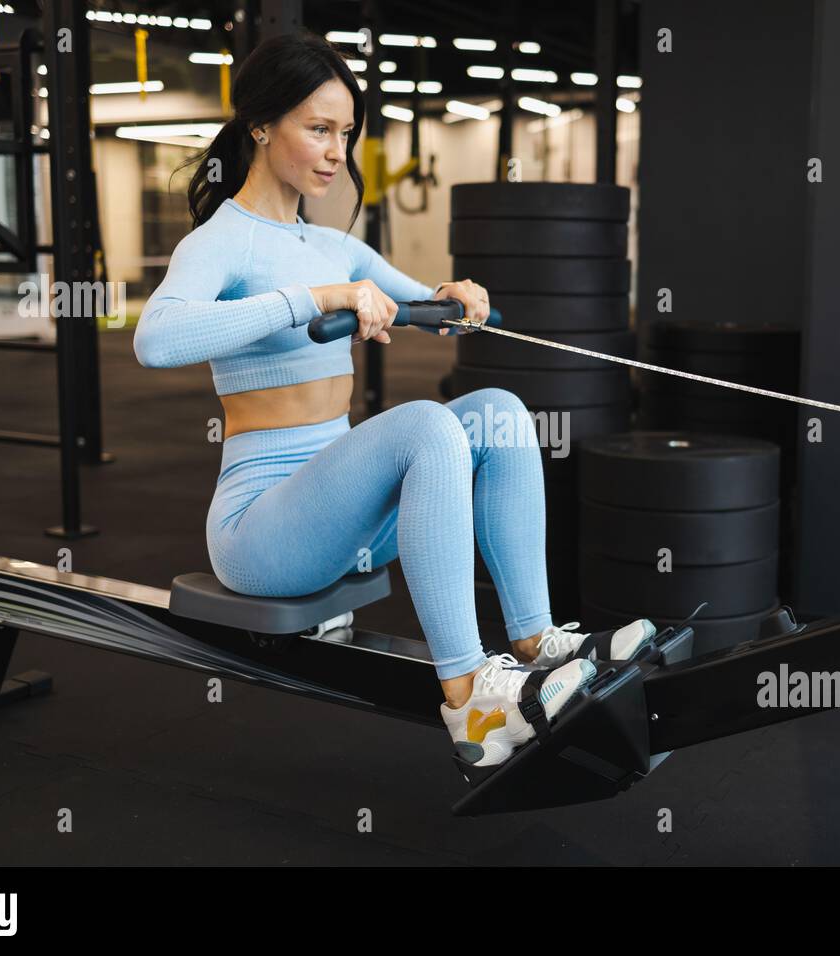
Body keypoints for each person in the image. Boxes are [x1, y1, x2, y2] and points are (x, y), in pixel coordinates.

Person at [133, 31, 656, 769]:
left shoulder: (334, 245)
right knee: (423, 426)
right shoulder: (223, 243)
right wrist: (305, 299)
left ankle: (537, 641)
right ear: (259, 124)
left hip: (344, 520)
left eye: (345, 133)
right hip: (262, 534)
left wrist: (458, 296)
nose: (335, 151)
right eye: (317, 129)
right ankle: (471, 702)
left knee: (499, 412)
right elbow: (155, 340)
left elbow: (421, 298)